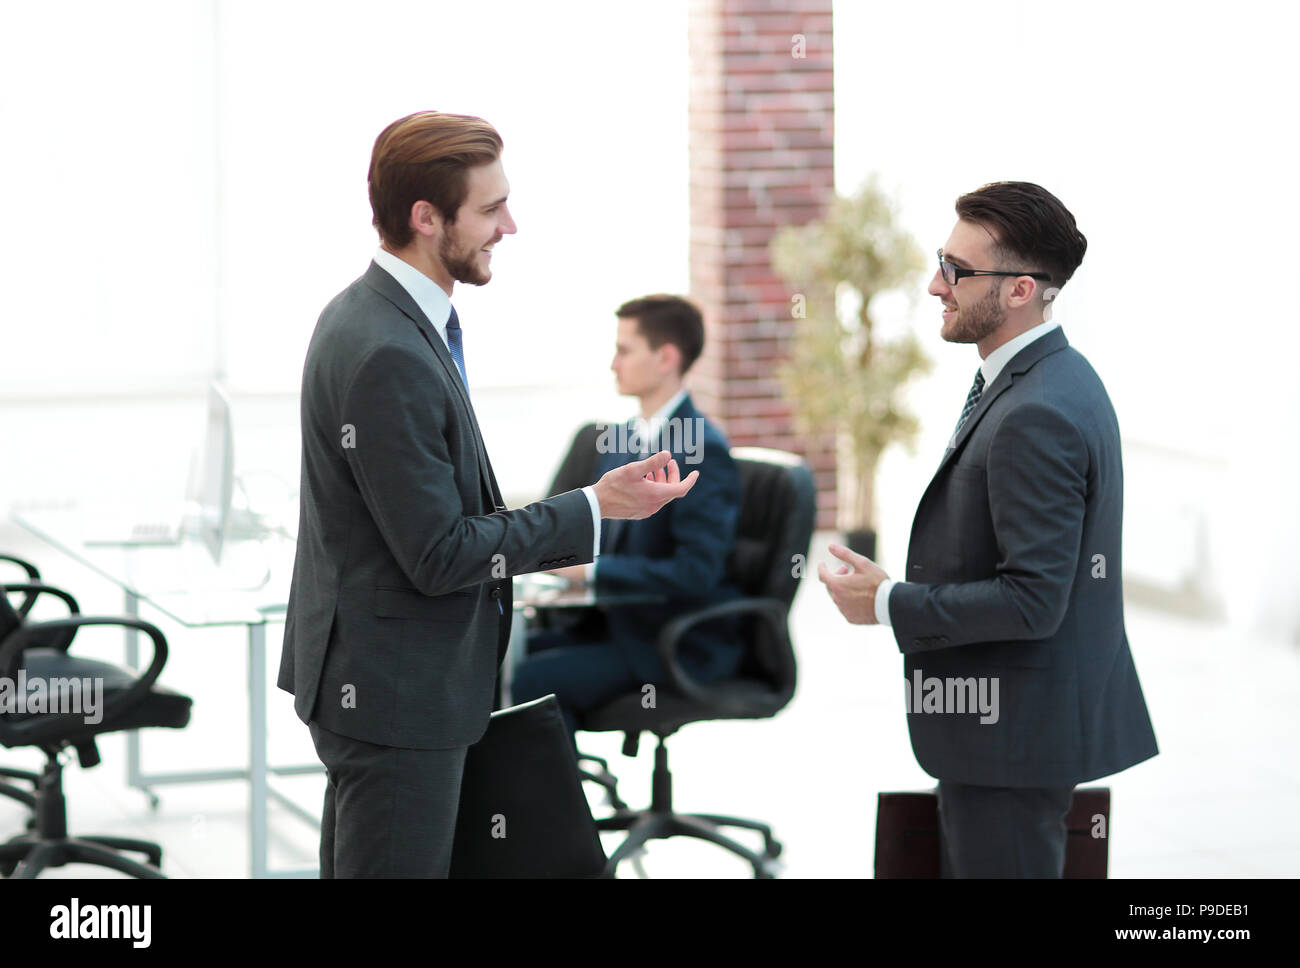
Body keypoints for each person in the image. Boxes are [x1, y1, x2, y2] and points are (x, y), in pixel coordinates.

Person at [277, 111, 698, 878]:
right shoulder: (388, 351)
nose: (511, 225)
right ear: (425, 217)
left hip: (380, 679)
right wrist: (592, 508)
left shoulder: (380, 318)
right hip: (398, 692)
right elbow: (439, 554)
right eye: (491, 208)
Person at [818, 181, 1158, 877]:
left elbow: (1034, 600)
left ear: (1020, 290)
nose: (935, 285)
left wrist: (885, 603)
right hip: (1015, 730)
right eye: (941, 260)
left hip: (1012, 740)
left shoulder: (1037, 410)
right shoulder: (1048, 378)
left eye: (958, 271)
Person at [510, 294, 744, 745]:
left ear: (665, 358)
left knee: (533, 683)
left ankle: (555, 816)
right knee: (493, 657)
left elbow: (697, 573)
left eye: (624, 350)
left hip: (670, 643)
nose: (613, 364)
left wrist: (590, 570)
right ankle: (521, 808)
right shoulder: (622, 440)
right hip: (615, 624)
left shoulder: (702, 451)